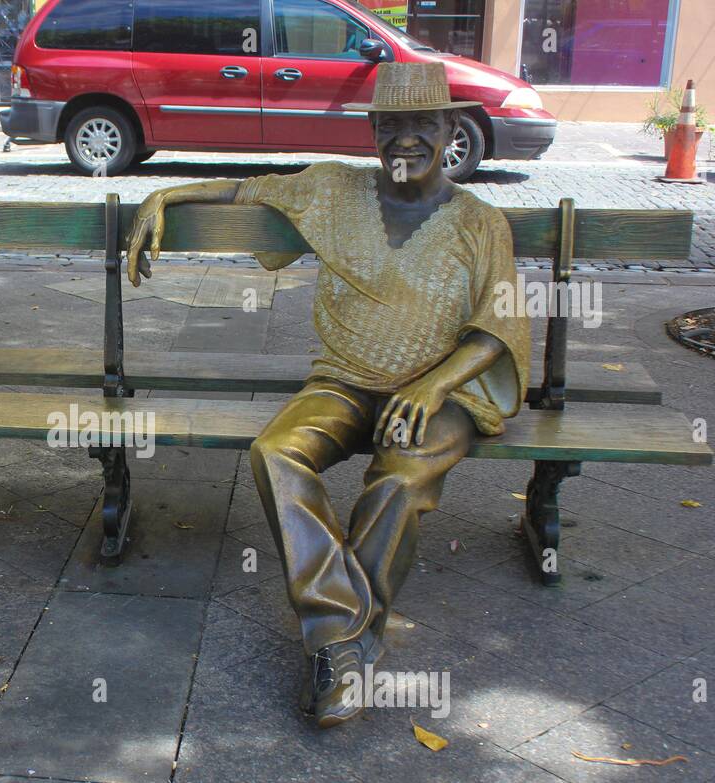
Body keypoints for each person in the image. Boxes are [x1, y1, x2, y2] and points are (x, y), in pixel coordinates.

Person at [126, 62, 530, 727]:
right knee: (276, 451)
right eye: (391, 126)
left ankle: (335, 650)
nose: (406, 141)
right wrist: (160, 199)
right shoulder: (332, 190)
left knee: (398, 480)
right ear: (372, 131)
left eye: (422, 126)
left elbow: (500, 323)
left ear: (451, 131)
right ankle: (347, 637)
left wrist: (433, 385)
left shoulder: (479, 222)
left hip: (443, 394)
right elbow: (240, 190)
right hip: (343, 379)